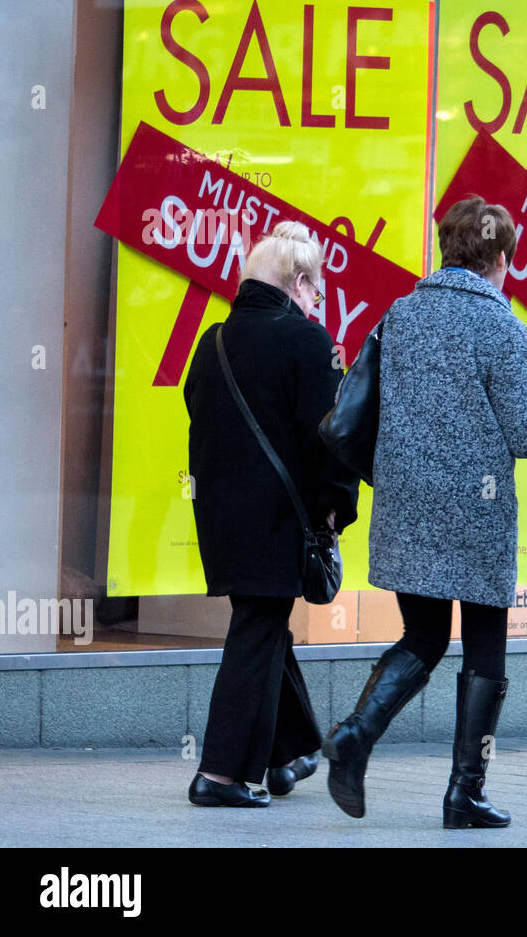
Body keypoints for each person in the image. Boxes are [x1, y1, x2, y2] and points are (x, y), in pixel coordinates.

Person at [323, 195, 527, 826]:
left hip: (406, 505)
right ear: (501, 256)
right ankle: (465, 792)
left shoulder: (402, 314)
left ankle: (355, 735)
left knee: (423, 637)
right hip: (475, 511)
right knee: (485, 651)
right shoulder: (501, 326)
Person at [184, 221, 360, 807]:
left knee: (264, 626)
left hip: (221, 518)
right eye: (318, 290)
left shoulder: (211, 342)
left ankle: (290, 754)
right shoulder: (307, 342)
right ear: (299, 282)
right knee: (256, 631)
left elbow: (201, 430)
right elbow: (331, 438)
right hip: (280, 519)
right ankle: (220, 774)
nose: (319, 301)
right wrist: (335, 509)